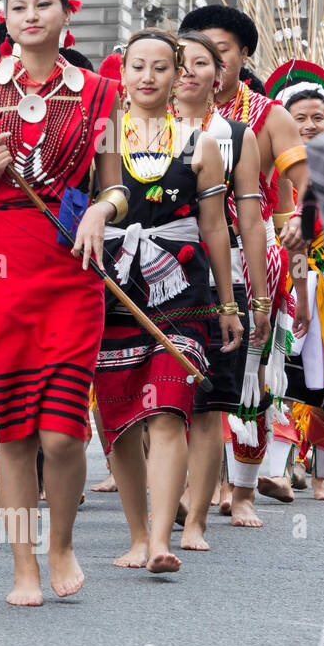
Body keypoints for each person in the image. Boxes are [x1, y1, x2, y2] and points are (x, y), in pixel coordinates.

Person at [0, 0, 119, 606]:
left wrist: (103, 208)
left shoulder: (102, 93)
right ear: (6, 19)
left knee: (64, 432)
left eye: (44, 4)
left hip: (74, 268)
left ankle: (63, 543)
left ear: (66, 13)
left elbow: (116, 184)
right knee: (13, 430)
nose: (32, 16)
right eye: (19, 7)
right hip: (3, 271)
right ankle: (23, 564)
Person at [94, 30, 242, 573]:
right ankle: (135, 534)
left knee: (168, 406)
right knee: (120, 416)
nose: (148, 78)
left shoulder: (200, 144)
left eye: (161, 67)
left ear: (177, 72)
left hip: (182, 287)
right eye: (138, 67)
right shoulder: (103, 138)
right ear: (123, 73)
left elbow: (214, 229)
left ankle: (161, 539)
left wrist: (228, 305)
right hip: (113, 288)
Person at [178, 5, 307, 520]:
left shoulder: (267, 118)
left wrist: (293, 279)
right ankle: (200, 482)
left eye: (220, 51)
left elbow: (294, 202)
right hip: (183, 257)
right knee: (191, 373)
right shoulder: (161, 117)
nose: (202, 63)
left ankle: (247, 489)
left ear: (242, 56)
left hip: (255, 257)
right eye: (191, 53)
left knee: (252, 374)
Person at [172, 31, 272, 544]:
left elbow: (250, 221)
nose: (187, 70)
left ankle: (196, 513)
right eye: (179, 61)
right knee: (167, 396)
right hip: (154, 274)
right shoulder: (134, 130)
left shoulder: (237, 135)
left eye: (200, 62)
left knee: (210, 398)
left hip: (218, 275)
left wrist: (258, 297)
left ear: (220, 76)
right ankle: (167, 497)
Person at [264, 63, 324, 502]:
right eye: (301, 118)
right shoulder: (276, 175)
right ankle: (280, 465)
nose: (311, 126)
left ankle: (320, 470)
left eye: (320, 118)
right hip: (290, 286)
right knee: (285, 376)